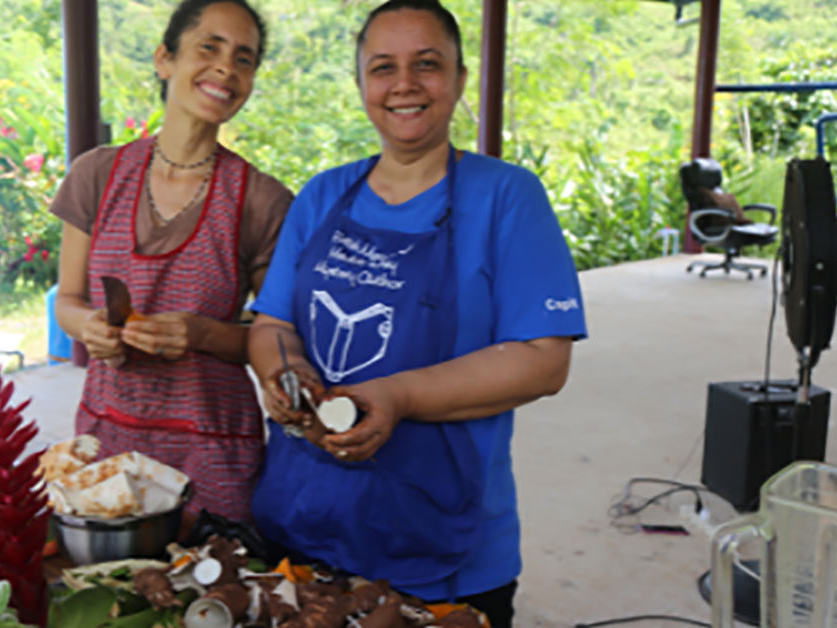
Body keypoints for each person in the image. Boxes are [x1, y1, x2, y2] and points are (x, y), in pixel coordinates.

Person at [246, 0, 587, 625]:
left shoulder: (507, 197)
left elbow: (544, 362)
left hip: (446, 544)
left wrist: (397, 397)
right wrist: (285, 373)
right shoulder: (323, 194)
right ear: (361, 85)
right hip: (307, 517)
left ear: (459, 79)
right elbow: (272, 325)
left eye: (427, 65)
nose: (404, 84)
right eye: (383, 67)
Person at [50, 0, 293, 522]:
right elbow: (67, 301)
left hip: (212, 447)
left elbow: (275, 336)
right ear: (165, 59)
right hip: (107, 438)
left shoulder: (262, 200)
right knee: (110, 590)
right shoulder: (97, 174)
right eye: (210, 47)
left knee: (216, 589)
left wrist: (201, 334)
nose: (227, 68)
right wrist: (88, 326)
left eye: (244, 59)